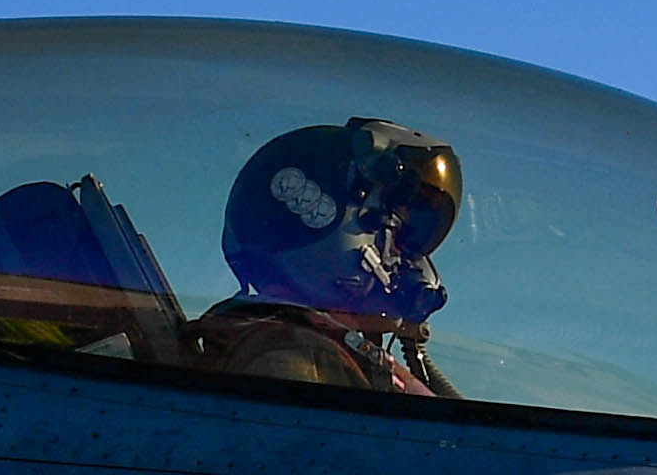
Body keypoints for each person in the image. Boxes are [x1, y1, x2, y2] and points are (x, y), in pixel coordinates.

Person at [184, 119, 464, 397]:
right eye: (396, 239)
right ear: (334, 232)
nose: (405, 259)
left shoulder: (330, 351)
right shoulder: (291, 362)